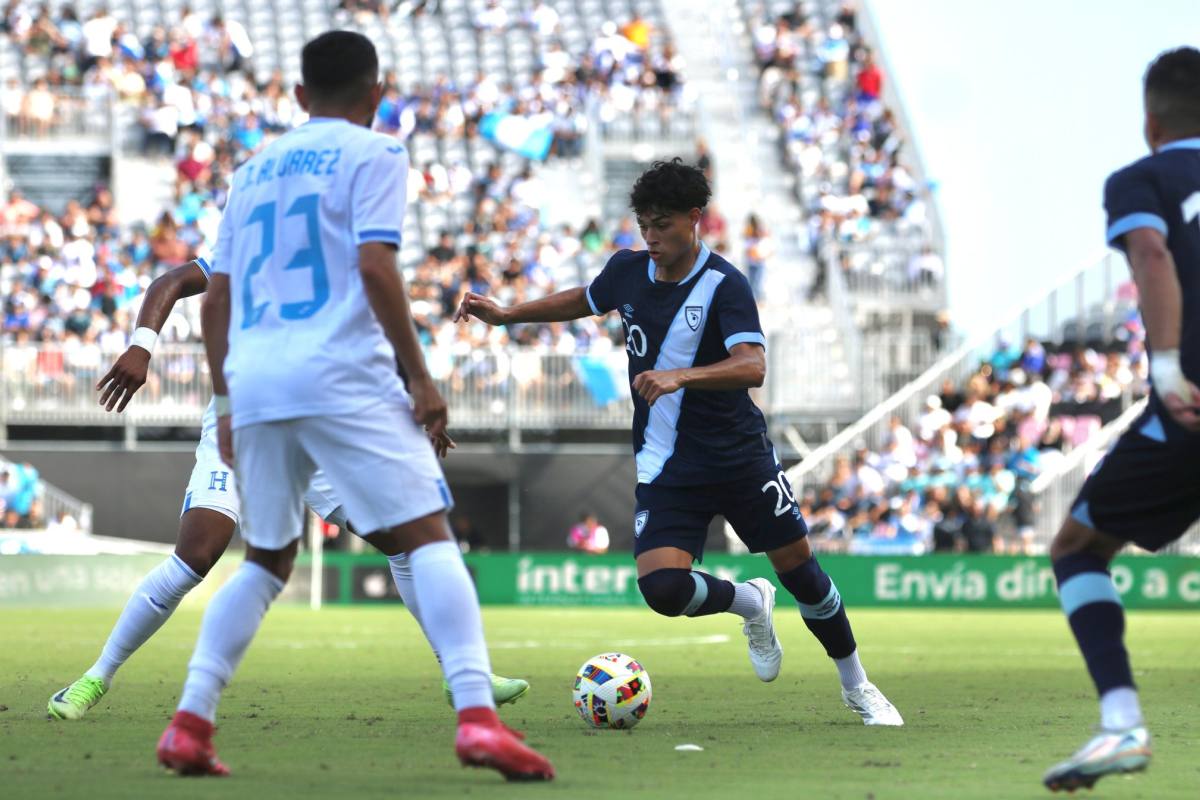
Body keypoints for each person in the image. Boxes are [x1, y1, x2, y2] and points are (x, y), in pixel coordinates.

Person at [155, 32, 553, 780]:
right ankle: (476, 718)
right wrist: (421, 378)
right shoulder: (377, 155)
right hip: (343, 375)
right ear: (377, 95)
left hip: (258, 382)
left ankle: (190, 722)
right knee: (428, 539)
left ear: (300, 96)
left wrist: (226, 401)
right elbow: (375, 264)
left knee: (267, 561)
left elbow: (218, 303)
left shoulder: (248, 173)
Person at [456, 158, 902, 726]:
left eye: (662, 224)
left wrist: (680, 376)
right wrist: (510, 315)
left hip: (739, 459)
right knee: (663, 589)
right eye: (644, 224)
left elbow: (752, 366)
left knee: (804, 576)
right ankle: (748, 602)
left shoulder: (725, 285)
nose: (651, 236)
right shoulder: (628, 271)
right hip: (667, 464)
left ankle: (858, 686)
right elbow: (583, 299)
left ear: (695, 219)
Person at [46, 257, 531, 723]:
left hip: (316, 426)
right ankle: (94, 678)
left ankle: (462, 675)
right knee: (196, 557)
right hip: (245, 421)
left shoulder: (347, 262)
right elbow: (171, 282)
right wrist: (142, 345)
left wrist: (411, 404)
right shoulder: (259, 236)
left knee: (403, 542)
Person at [1042, 47, 1200, 793]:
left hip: (1192, 409)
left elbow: (1149, 250)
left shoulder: (1145, 180)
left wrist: (1167, 367)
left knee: (1078, 547)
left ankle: (1122, 724)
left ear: (1150, 121)